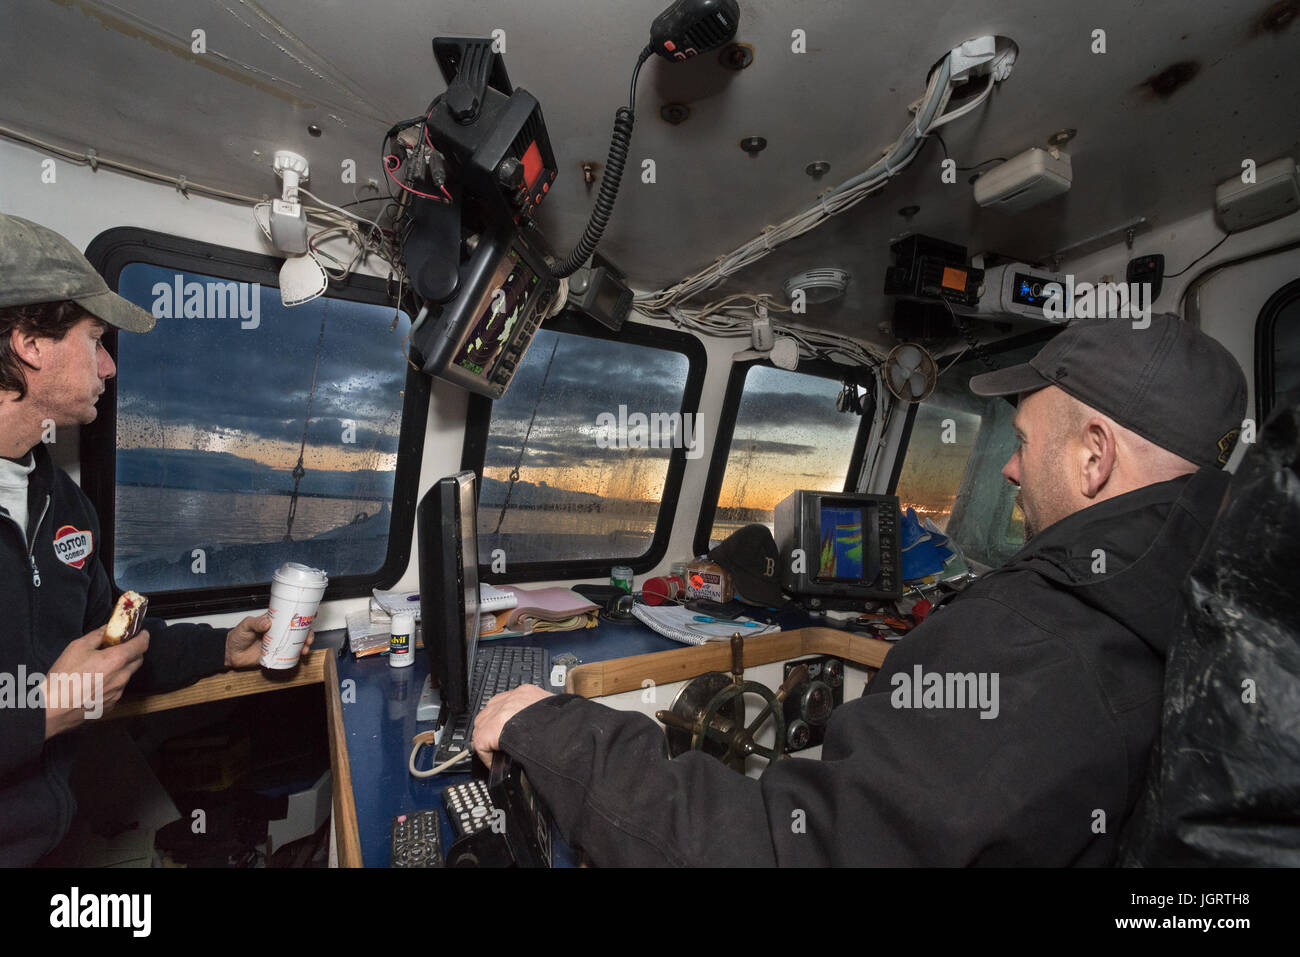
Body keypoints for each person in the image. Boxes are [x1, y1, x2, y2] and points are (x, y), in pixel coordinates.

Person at [472, 313, 1248, 866]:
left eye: (1021, 445)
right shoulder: (1226, 611)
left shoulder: (1036, 642)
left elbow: (782, 849)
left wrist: (557, 732)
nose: (1009, 470)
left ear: (1094, 458)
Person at [0, 213, 311, 867]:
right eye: (96, 340)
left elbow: (119, 632)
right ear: (30, 342)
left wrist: (226, 646)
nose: (110, 365)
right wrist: (42, 712)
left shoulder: (64, 505)